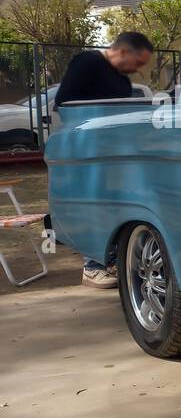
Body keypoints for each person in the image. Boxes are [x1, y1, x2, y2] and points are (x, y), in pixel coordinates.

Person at [54, 32, 154, 288]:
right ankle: (92, 266)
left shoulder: (123, 82)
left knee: (117, 206)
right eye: (138, 63)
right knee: (96, 206)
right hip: (88, 152)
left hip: (115, 154)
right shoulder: (88, 62)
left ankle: (109, 261)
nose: (138, 69)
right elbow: (64, 103)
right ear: (124, 51)